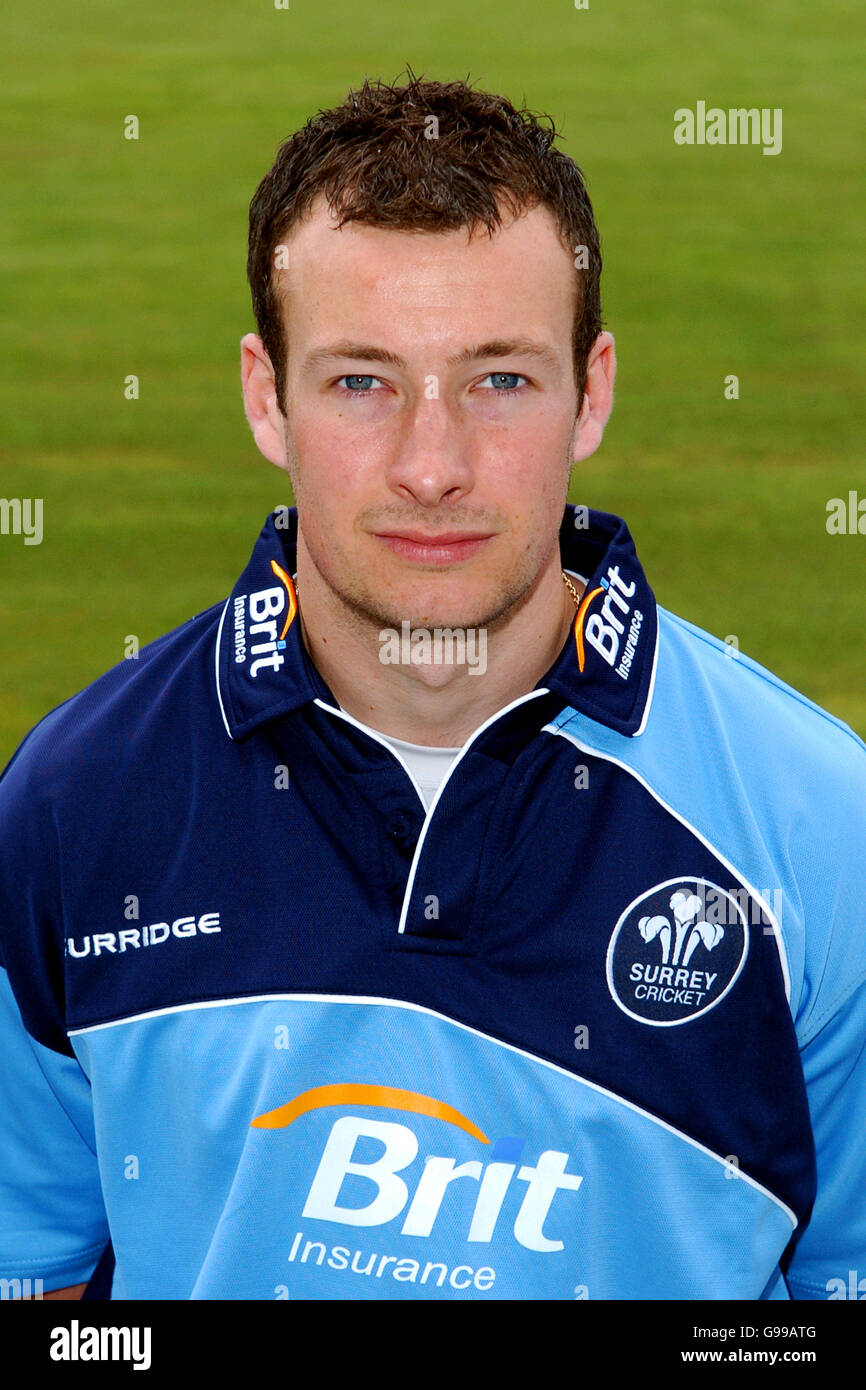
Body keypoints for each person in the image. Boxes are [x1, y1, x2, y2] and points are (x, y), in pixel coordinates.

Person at [1, 73, 864, 1303]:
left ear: (593, 390)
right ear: (265, 395)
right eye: (361, 380)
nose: (430, 464)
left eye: (498, 379)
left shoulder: (824, 830)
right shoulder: (71, 808)